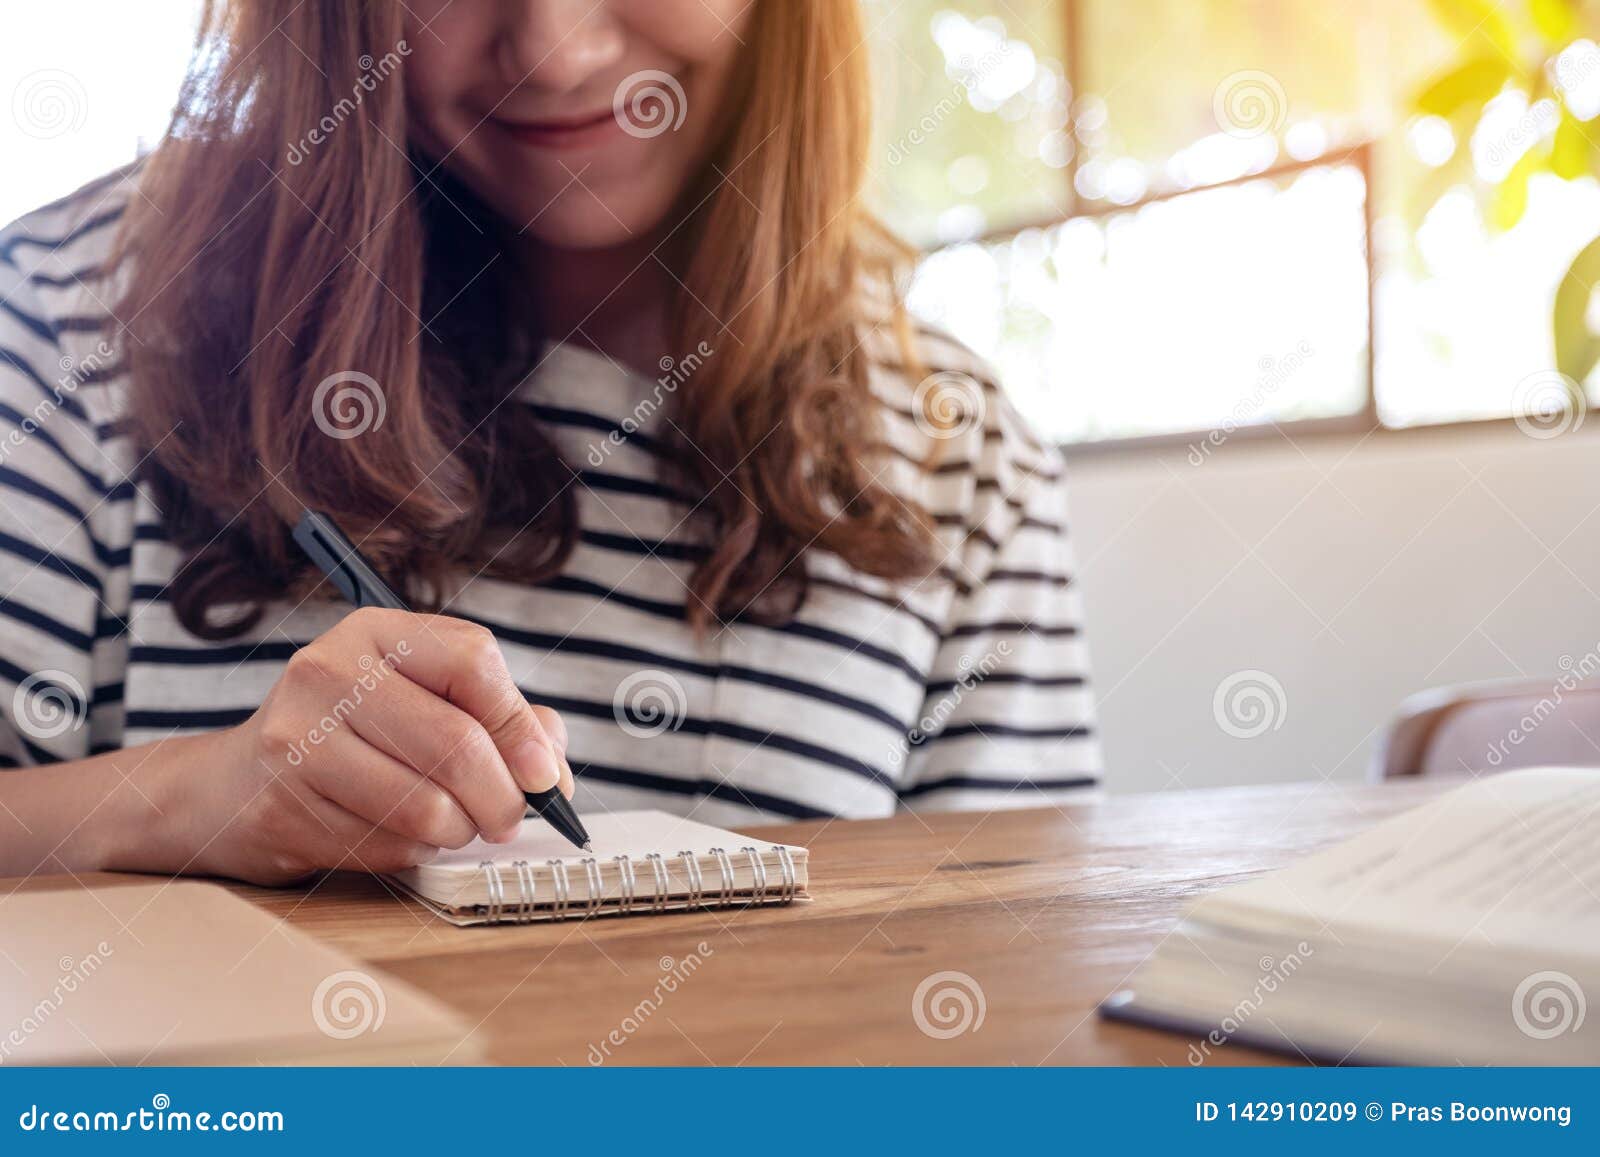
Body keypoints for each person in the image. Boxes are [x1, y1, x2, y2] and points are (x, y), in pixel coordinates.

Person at [0, 0, 1098, 886]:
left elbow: (1006, 984)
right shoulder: (76, 317)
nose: (558, 49)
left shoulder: (965, 453)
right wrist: (191, 796)